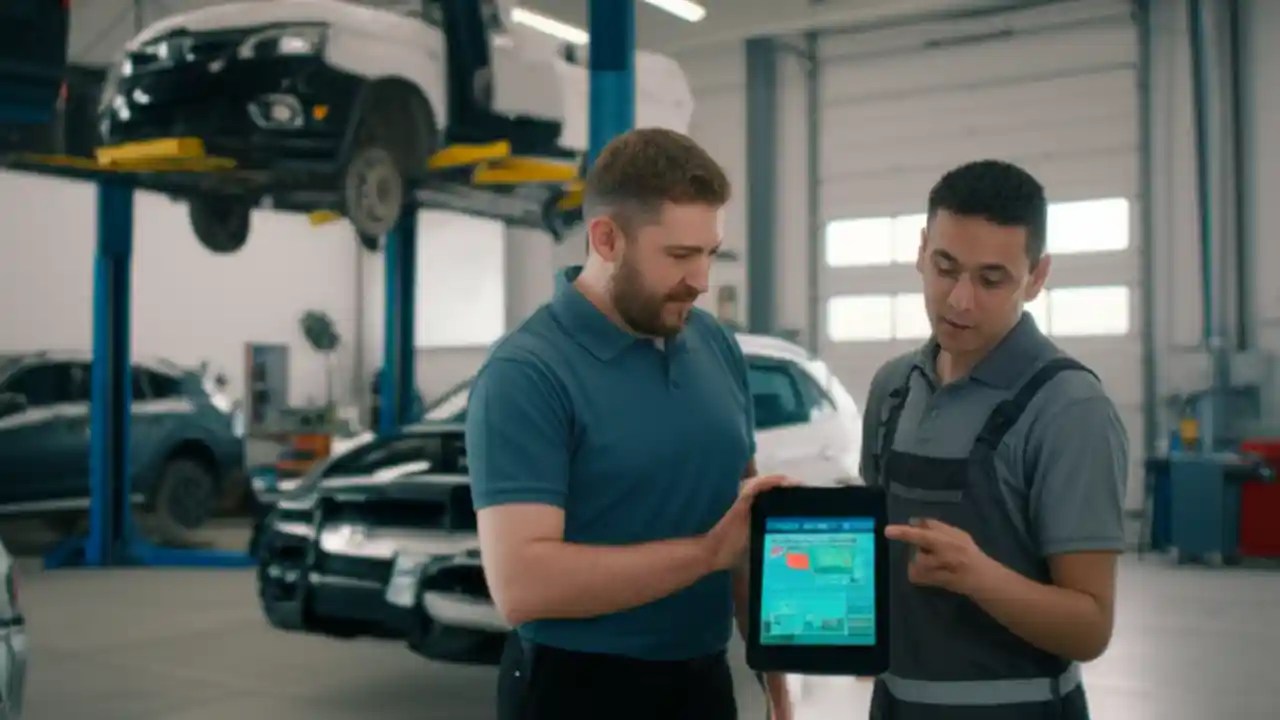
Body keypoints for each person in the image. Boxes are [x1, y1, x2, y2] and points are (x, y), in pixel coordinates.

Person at [465, 127, 796, 720]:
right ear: (607, 238)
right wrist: (704, 554)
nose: (701, 279)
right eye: (678, 255)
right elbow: (522, 585)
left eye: (709, 252)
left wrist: (780, 688)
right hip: (576, 688)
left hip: (702, 681)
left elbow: (743, 529)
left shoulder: (714, 343)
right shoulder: (527, 372)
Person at [859, 159, 1128, 719]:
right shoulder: (893, 390)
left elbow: (1090, 627)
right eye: (945, 266)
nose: (959, 300)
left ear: (1036, 277)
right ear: (920, 250)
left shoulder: (1069, 408)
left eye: (991, 279)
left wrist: (978, 577)